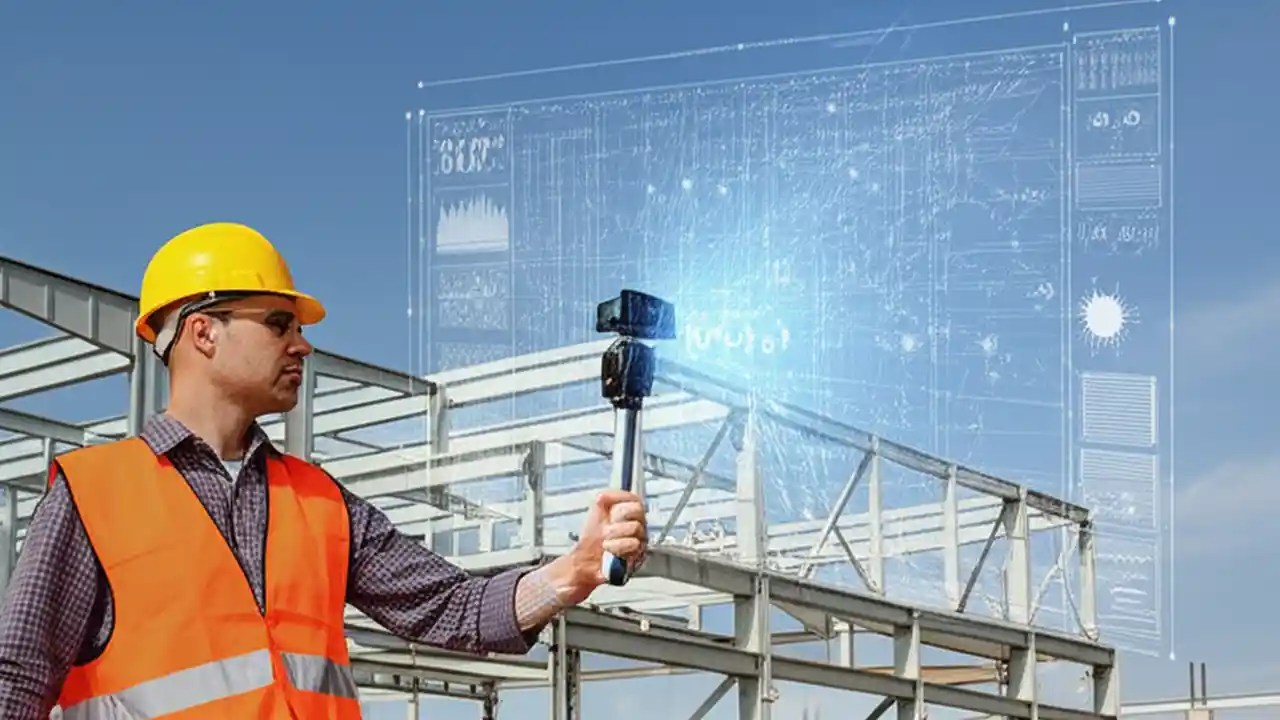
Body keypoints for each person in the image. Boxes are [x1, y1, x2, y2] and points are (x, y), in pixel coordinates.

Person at [0, 222, 649, 718]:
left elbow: (454, 607)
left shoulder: (321, 504)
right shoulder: (94, 495)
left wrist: (577, 570)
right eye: (278, 323)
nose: (302, 343)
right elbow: (17, 680)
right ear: (203, 333)